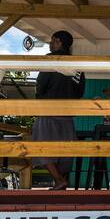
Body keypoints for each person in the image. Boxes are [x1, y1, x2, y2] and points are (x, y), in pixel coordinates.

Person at [31, 30, 85, 189]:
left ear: (58, 41)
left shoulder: (52, 59)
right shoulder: (77, 64)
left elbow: (41, 85)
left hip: (49, 111)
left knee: (41, 146)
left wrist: (39, 100)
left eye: (52, 41)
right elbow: (80, 91)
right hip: (68, 114)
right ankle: (60, 181)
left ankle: (59, 179)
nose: (50, 44)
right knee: (65, 150)